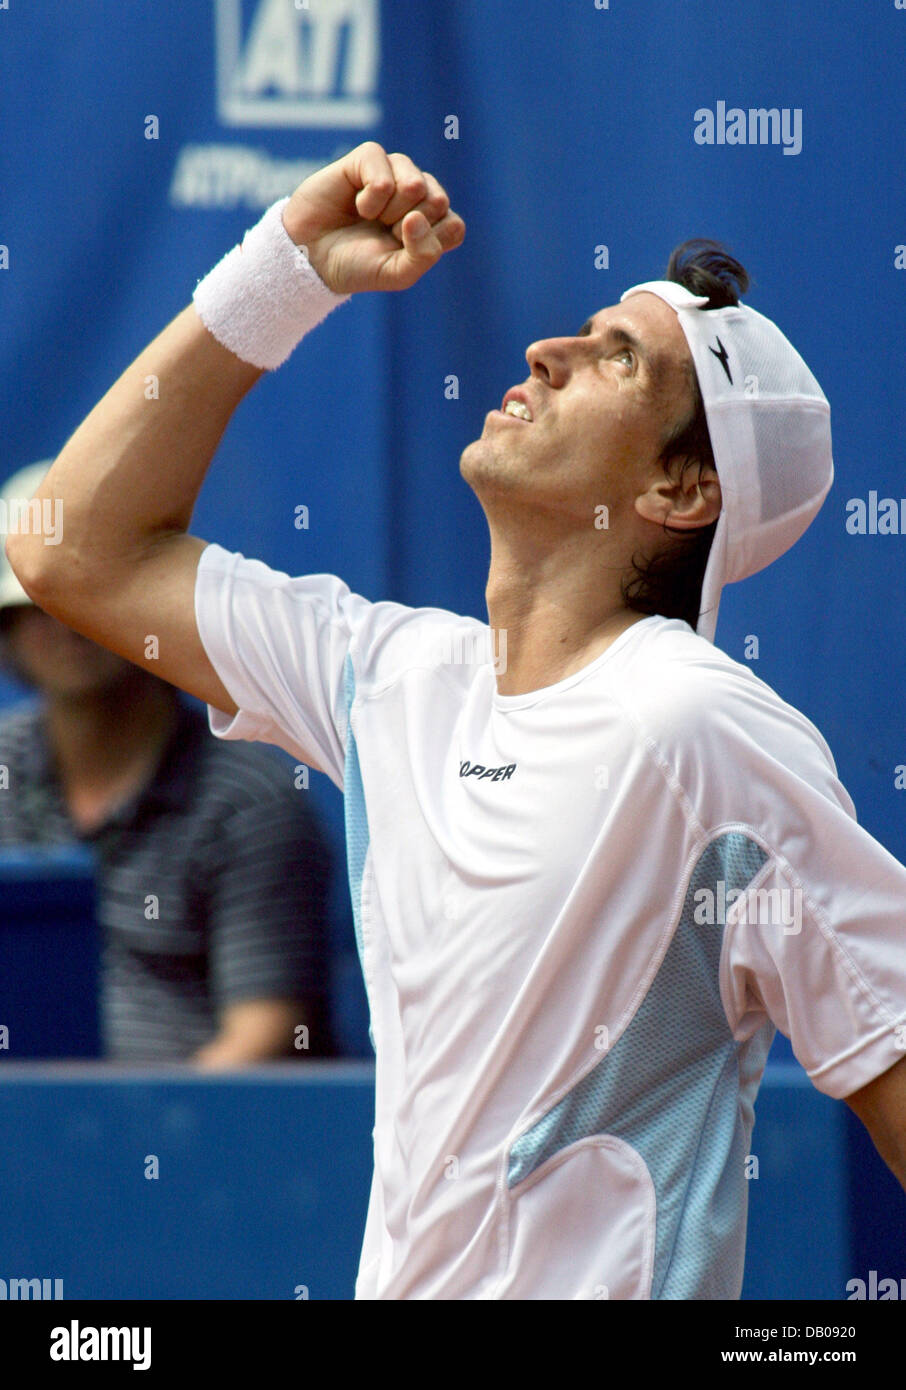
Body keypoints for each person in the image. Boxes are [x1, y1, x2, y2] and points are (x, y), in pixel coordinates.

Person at [7, 142, 906, 1298]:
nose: (547, 349)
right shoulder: (395, 677)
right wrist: (288, 266)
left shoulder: (703, 728)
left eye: (615, 358)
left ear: (680, 492)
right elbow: (69, 550)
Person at [0, 462, 333, 1066]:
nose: (68, 626)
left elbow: (264, 1035)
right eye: (41, 603)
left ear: (145, 611)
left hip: (198, 1148)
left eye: (88, 598)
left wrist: (130, 1145)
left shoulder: (249, 799)